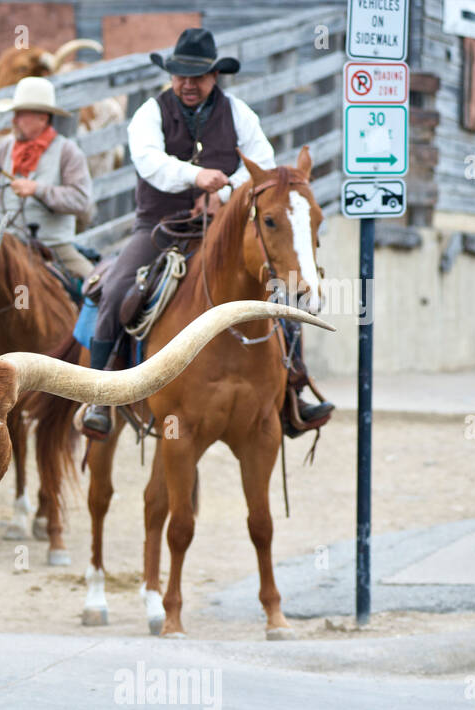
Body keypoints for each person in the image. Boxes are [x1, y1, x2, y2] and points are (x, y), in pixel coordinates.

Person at [78, 27, 333, 437]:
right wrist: (199, 178)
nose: (187, 84)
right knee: (116, 289)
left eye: (196, 76)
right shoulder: (150, 112)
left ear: (215, 76)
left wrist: (227, 192)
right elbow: (148, 161)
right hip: (159, 228)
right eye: (180, 75)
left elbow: (263, 165)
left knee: (279, 287)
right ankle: (100, 392)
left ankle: (294, 388)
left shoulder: (240, 113)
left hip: (224, 227)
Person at [0, 76, 95, 282]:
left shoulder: (67, 151)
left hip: (53, 246)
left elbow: (81, 201)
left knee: (96, 288)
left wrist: (38, 189)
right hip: (6, 244)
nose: (14, 120)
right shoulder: (7, 147)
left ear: (42, 118)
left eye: (21, 114)